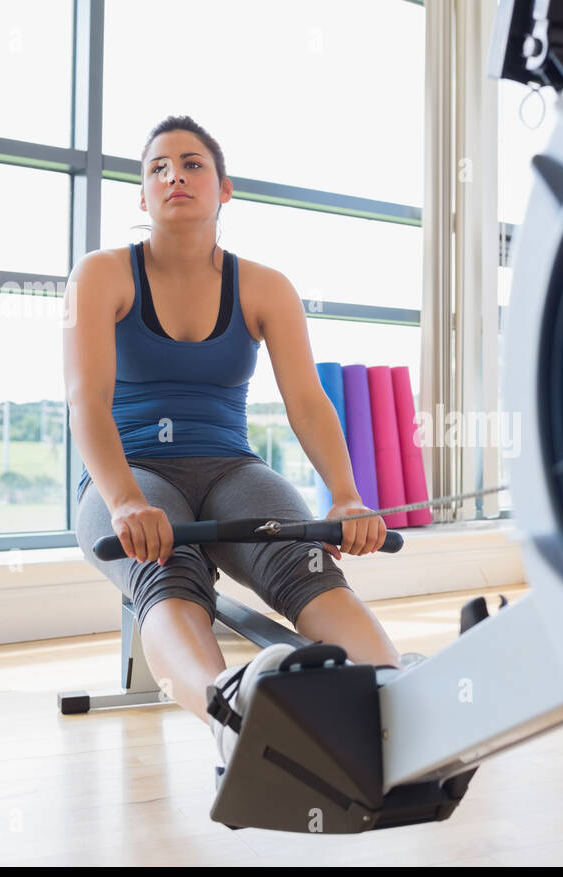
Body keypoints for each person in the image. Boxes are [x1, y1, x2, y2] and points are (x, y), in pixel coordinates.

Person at [63, 115, 406, 768]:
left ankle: (397, 700)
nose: (175, 176)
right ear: (142, 197)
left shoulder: (264, 286)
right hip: (129, 470)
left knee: (302, 561)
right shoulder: (103, 275)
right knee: (168, 572)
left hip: (229, 469)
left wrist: (345, 496)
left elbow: (307, 401)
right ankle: (232, 714)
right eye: (158, 168)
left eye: (192, 164)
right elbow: (87, 403)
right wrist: (127, 500)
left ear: (224, 189)